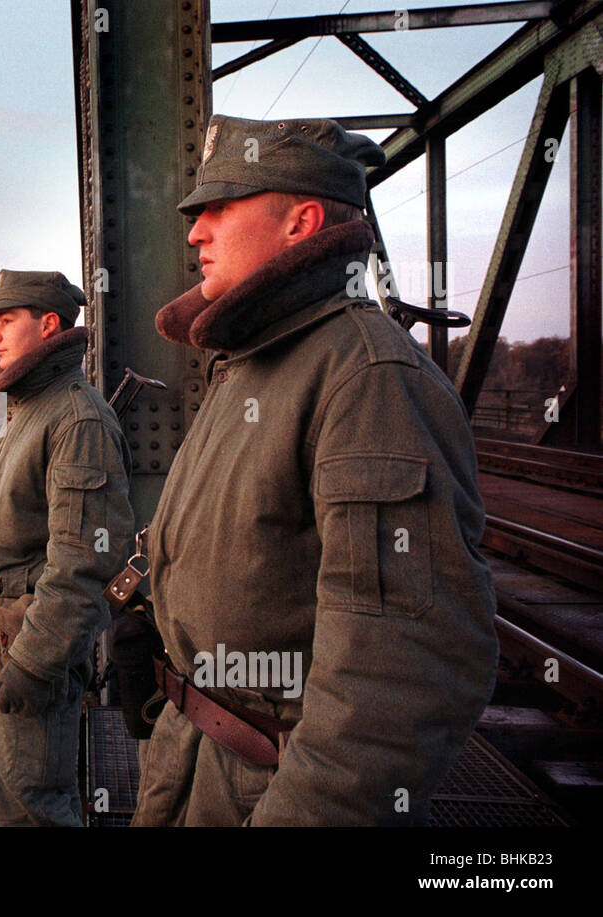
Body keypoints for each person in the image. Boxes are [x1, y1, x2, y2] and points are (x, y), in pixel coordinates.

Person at [130, 115, 499, 826]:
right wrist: (151, 614)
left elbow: (398, 677)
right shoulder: (250, 362)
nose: (194, 233)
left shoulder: (367, 377)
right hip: (194, 765)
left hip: (272, 793)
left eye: (219, 208)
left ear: (300, 222)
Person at [0, 269, 134, 826]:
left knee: (36, 807)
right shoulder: (30, 409)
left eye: (6, 321)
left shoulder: (75, 419)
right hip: (2, 637)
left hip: (29, 644)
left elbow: (85, 562)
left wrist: (34, 664)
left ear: (49, 324)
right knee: (15, 795)